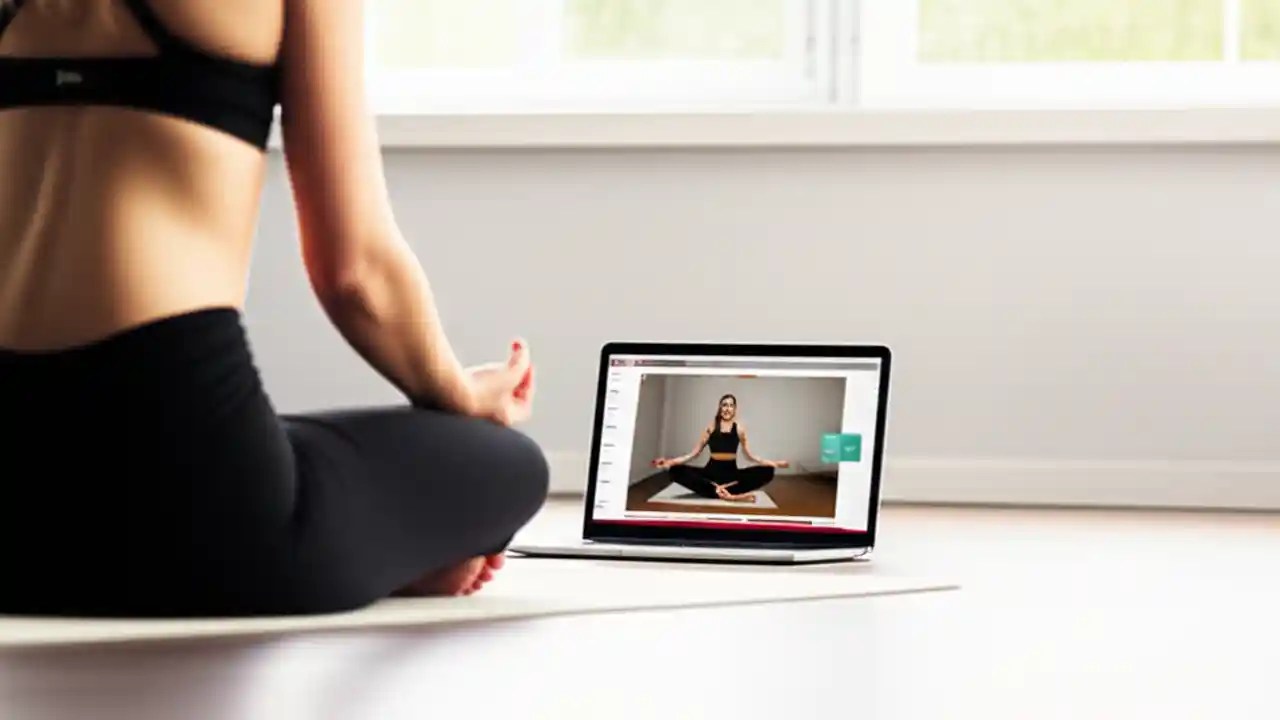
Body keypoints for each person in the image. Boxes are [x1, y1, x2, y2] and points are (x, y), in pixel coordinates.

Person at [0, 0, 549, 618]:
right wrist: (462, 398)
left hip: (16, 512)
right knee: (512, 466)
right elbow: (356, 275)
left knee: (300, 444)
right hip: (190, 500)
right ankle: (383, 550)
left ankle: (374, 542)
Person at [652, 394, 790, 503]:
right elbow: (692, 454)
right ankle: (728, 493)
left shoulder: (740, 429)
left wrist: (775, 464)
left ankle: (717, 491)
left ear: (735, 409)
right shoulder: (710, 428)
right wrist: (669, 462)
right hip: (710, 474)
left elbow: (750, 456)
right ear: (720, 408)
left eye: (731, 405)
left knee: (768, 471)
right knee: (676, 470)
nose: (727, 408)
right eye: (724, 405)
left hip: (732, 475)